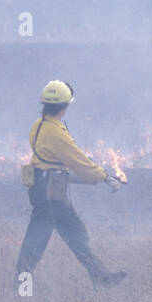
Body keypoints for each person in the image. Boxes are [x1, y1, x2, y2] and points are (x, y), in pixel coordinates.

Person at [14, 80, 128, 286]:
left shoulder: (39, 126)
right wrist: (105, 177)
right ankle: (21, 289)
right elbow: (79, 161)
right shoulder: (56, 133)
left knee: (77, 234)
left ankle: (101, 278)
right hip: (50, 196)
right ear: (64, 106)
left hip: (48, 190)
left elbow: (50, 162)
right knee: (34, 245)